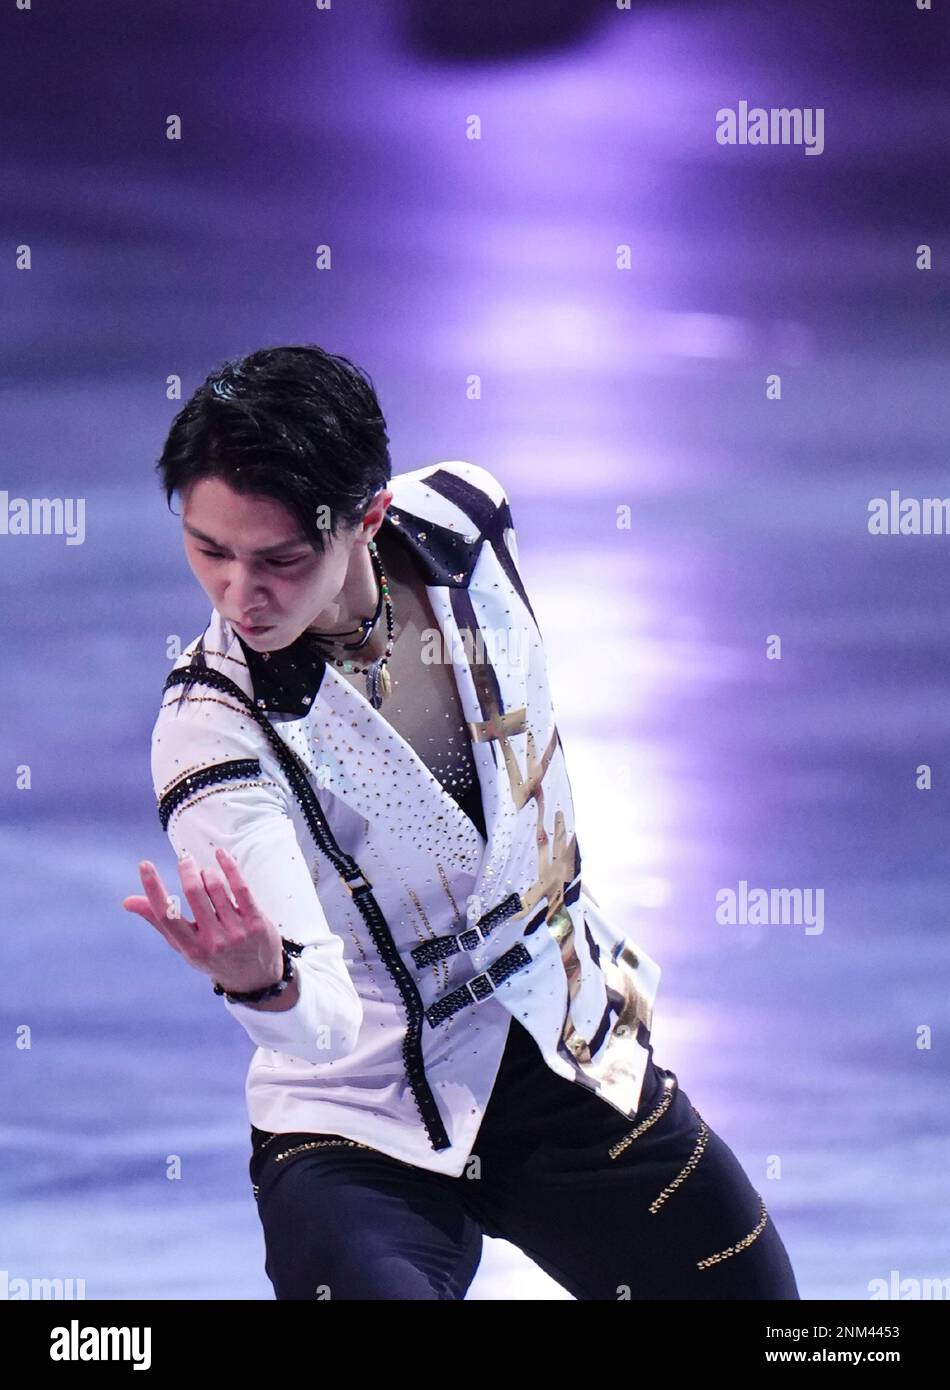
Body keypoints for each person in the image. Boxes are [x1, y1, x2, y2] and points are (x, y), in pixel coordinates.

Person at [122, 344, 800, 1300]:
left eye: (279, 559)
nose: (239, 594)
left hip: (552, 1047)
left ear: (369, 519)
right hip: (359, 1112)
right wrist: (266, 983)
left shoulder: (468, 521)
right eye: (208, 549)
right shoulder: (210, 728)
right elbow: (316, 1029)